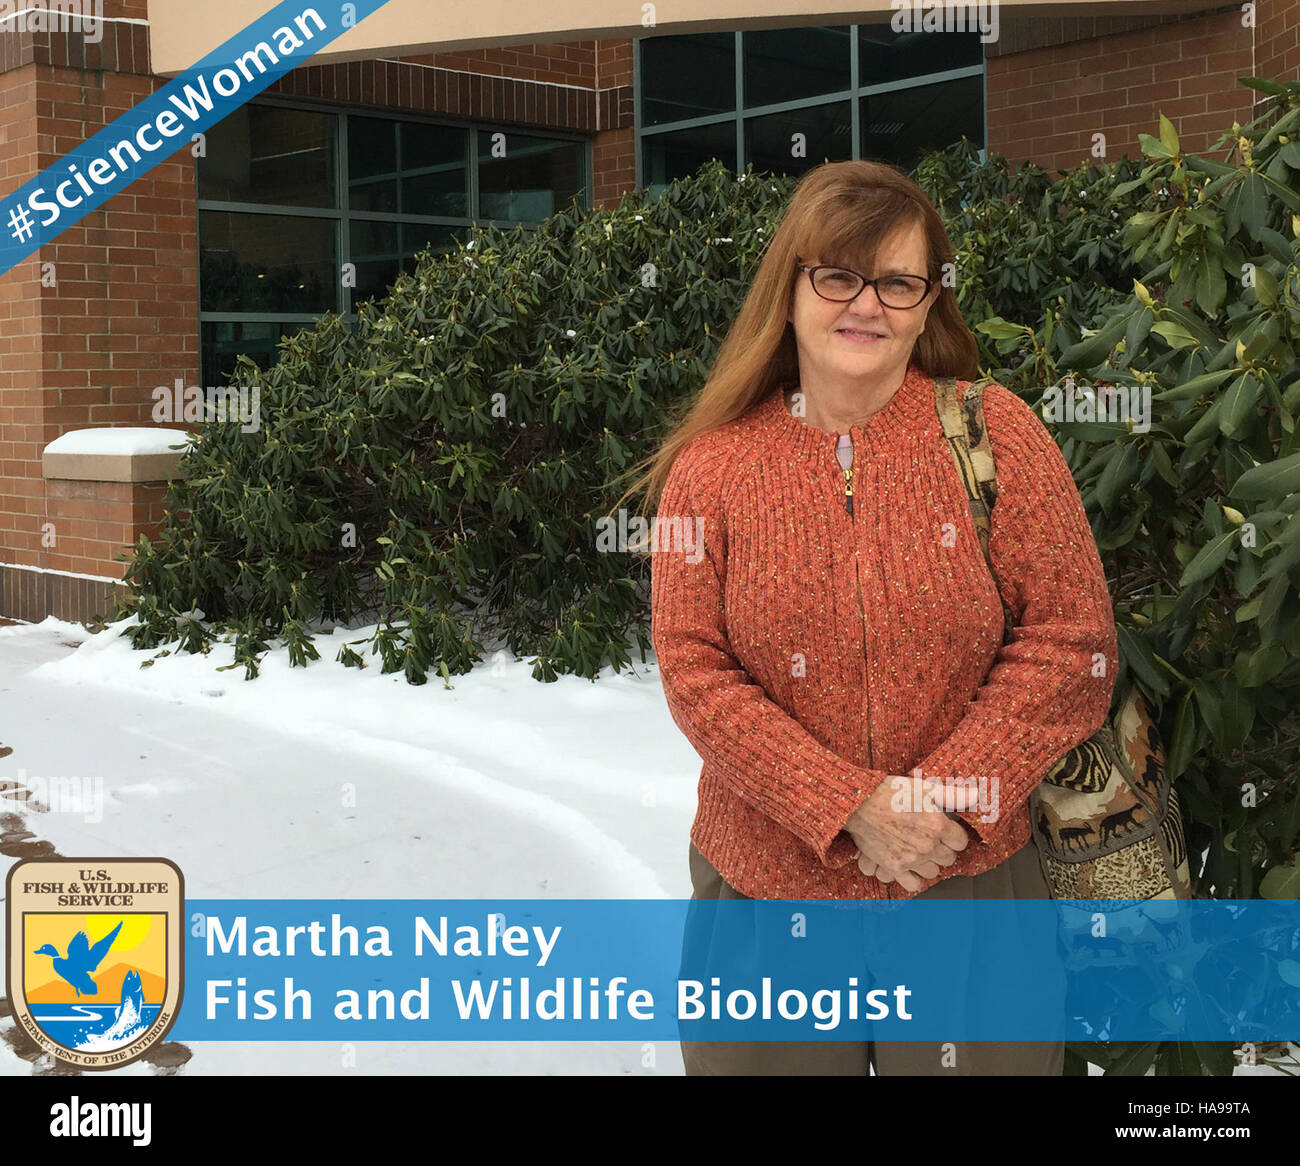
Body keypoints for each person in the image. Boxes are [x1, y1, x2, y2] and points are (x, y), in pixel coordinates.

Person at [636, 159, 1117, 1075]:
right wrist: (846, 804)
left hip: (965, 880)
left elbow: (1071, 639)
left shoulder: (994, 433)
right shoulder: (714, 467)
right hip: (767, 892)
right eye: (839, 275)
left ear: (931, 302)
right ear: (791, 290)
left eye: (899, 281)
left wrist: (936, 803)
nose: (868, 304)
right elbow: (693, 667)